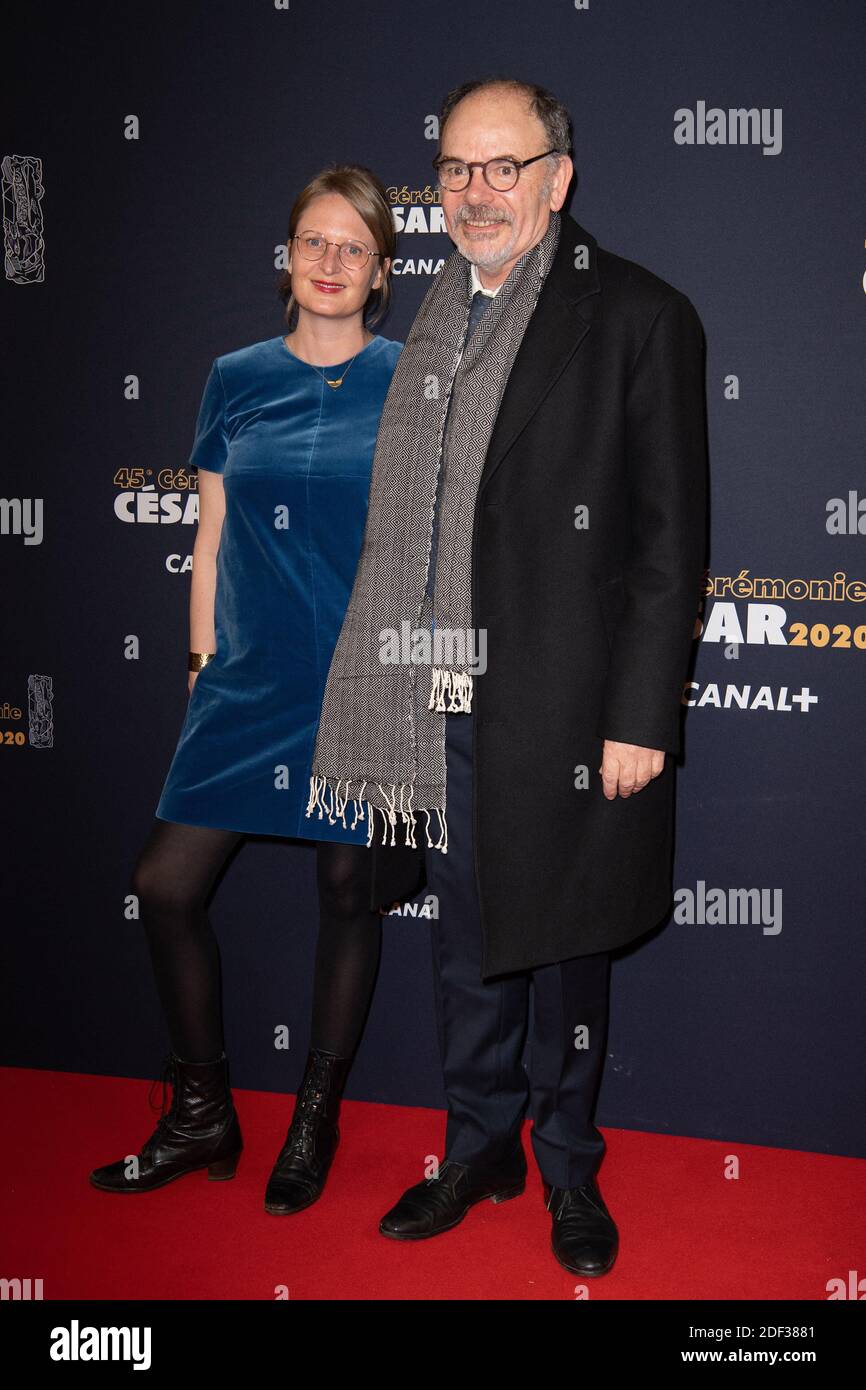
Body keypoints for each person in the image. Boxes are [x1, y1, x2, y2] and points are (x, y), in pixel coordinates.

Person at [306, 79, 708, 1276]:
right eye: (455, 168)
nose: (475, 192)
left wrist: (639, 715)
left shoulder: (638, 313)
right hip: (434, 688)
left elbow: (667, 541)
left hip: (570, 708)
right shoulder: (428, 323)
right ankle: (476, 1146)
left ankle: (568, 1166)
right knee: (466, 938)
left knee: (566, 944)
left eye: (503, 166)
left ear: (556, 177)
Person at [90, 165, 403, 1216]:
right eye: (314, 241)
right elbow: (212, 535)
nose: (330, 262)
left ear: (380, 272)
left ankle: (314, 1116)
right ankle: (202, 1114)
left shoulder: (413, 381)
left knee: (348, 890)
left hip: (363, 678)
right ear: (287, 256)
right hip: (247, 677)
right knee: (165, 884)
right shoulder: (234, 377)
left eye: (352, 248)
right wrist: (198, 671)